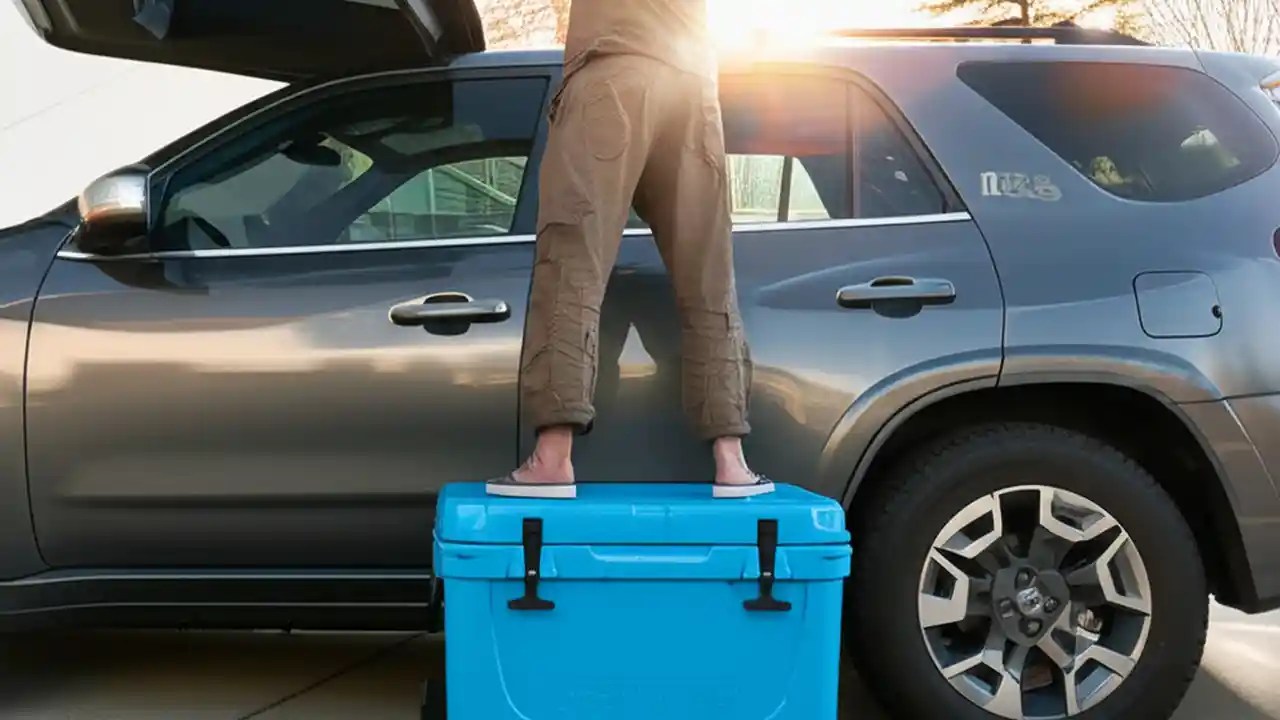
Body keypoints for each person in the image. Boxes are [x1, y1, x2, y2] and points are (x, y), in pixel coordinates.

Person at [486, 0, 770, 500]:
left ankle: (552, 459)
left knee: (572, 266)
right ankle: (732, 463)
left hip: (614, 65)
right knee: (709, 279)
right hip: (693, 82)